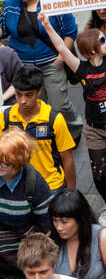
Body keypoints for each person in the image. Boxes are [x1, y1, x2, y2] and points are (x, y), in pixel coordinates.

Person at [0, 64, 76, 192]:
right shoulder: (6, 118)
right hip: (18, 187)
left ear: (39, 91)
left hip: (50, 187)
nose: (23, 101)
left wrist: (71, 193)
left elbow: (67, 160)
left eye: (29, 95)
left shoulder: (54, 120)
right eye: (18, 95)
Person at [0, 127, 51, 279]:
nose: (0, 166)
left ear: (18, 162)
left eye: (5, 163)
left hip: (24, 260)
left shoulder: (35, 186)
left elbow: (46, 230)